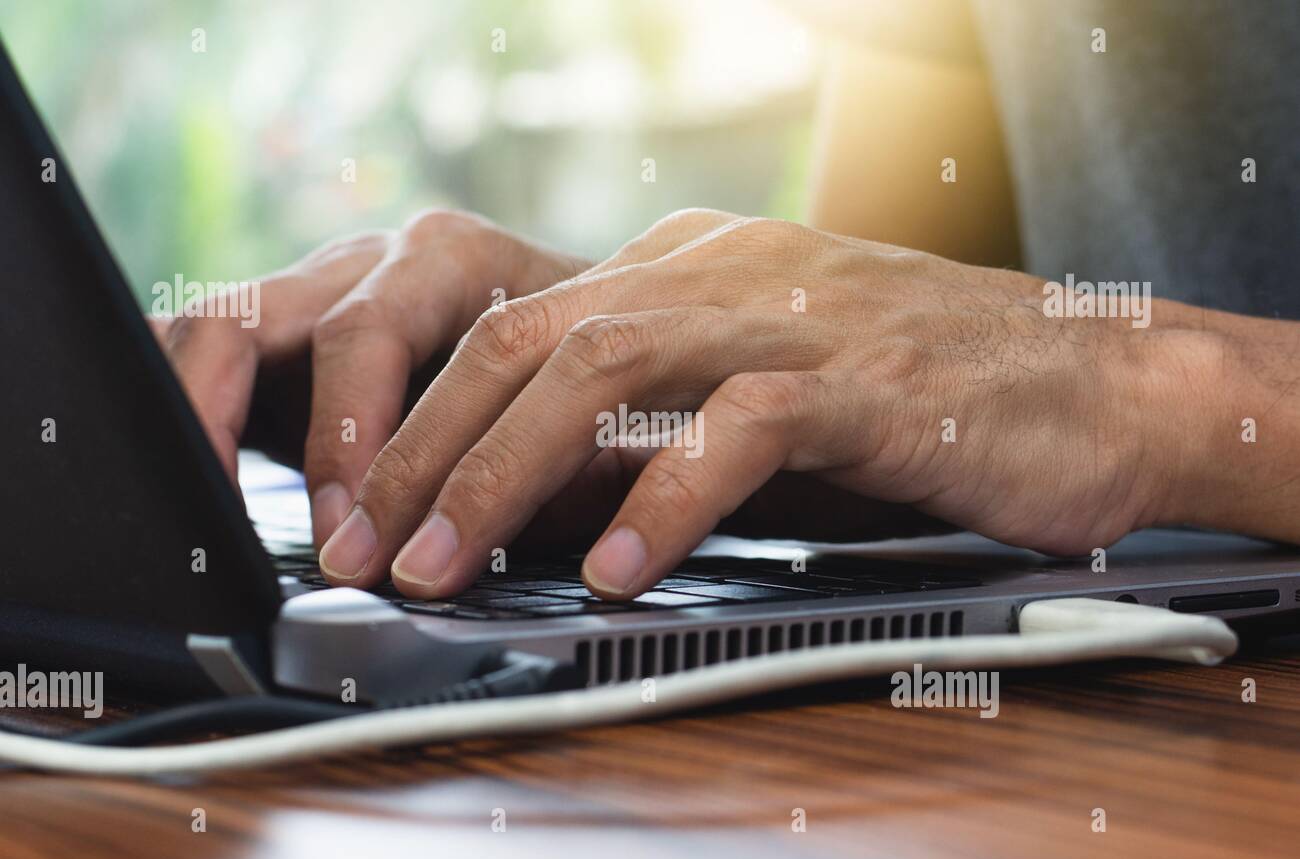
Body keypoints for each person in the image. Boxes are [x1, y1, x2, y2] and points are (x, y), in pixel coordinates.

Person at [151, 0, 1300, 604]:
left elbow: (1018, 353)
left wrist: (1156, 390)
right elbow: (900, 310)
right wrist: (605, 357)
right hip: (1100, 706)